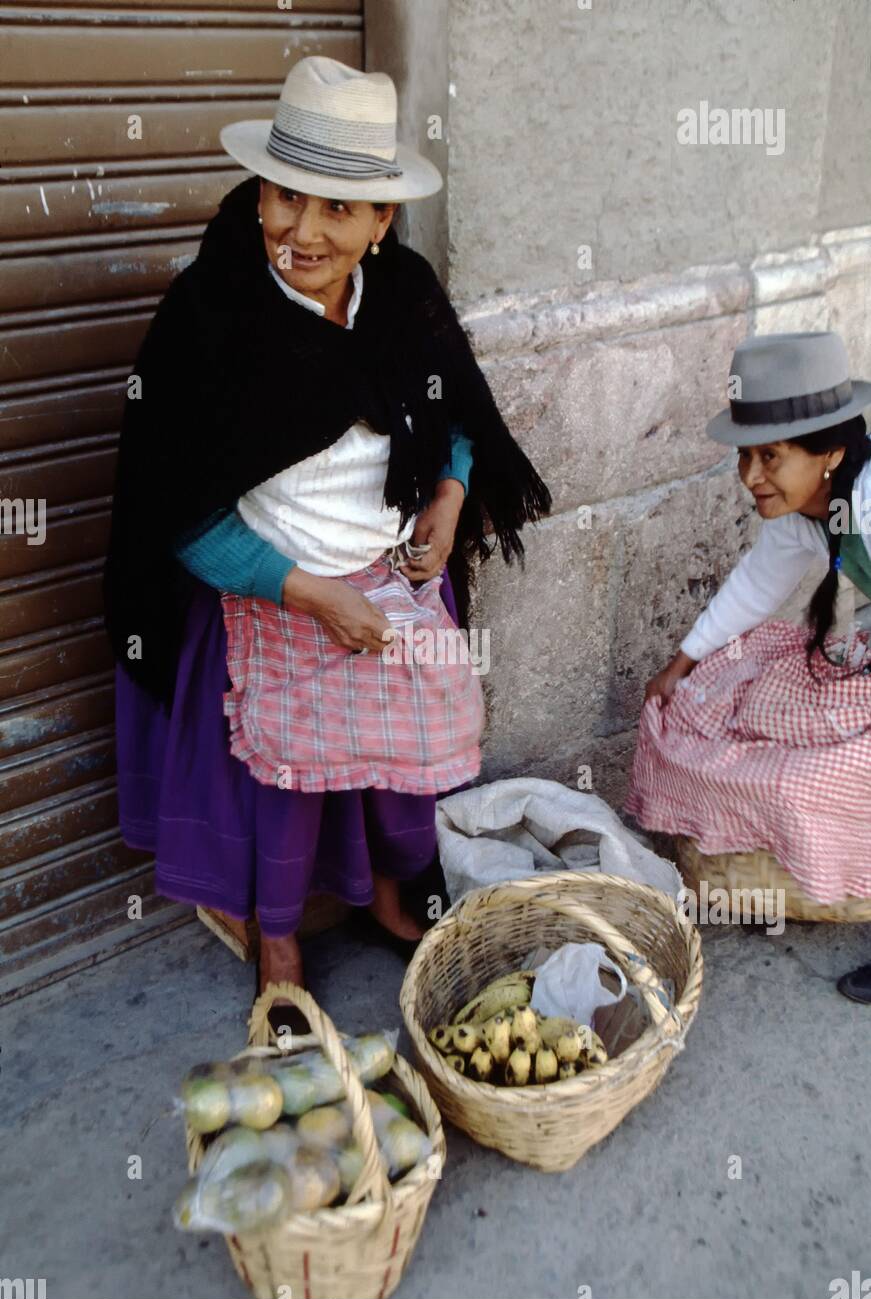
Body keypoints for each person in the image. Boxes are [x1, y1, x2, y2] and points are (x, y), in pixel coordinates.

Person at [103, 57, 551, 1028]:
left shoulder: (405, 298)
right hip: (271, 582)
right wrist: (308, 592)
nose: (301, 232)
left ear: (380, 222)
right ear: (259, 191)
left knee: (414, 754)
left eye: (335, 210)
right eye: (283, 196)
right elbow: (178, 515)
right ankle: (276, 935)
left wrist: (449, 491)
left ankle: (394, 893)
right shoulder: (212, 318)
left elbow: (459, 413)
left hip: (387, 575)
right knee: (290, 777)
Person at [630, 331, 871, 1002]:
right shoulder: (809, 512)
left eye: (770, 457)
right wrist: (680, 665)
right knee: (749, 672)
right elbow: (752, 590)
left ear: (829, 452)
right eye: (744, 456)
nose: (750, 477)